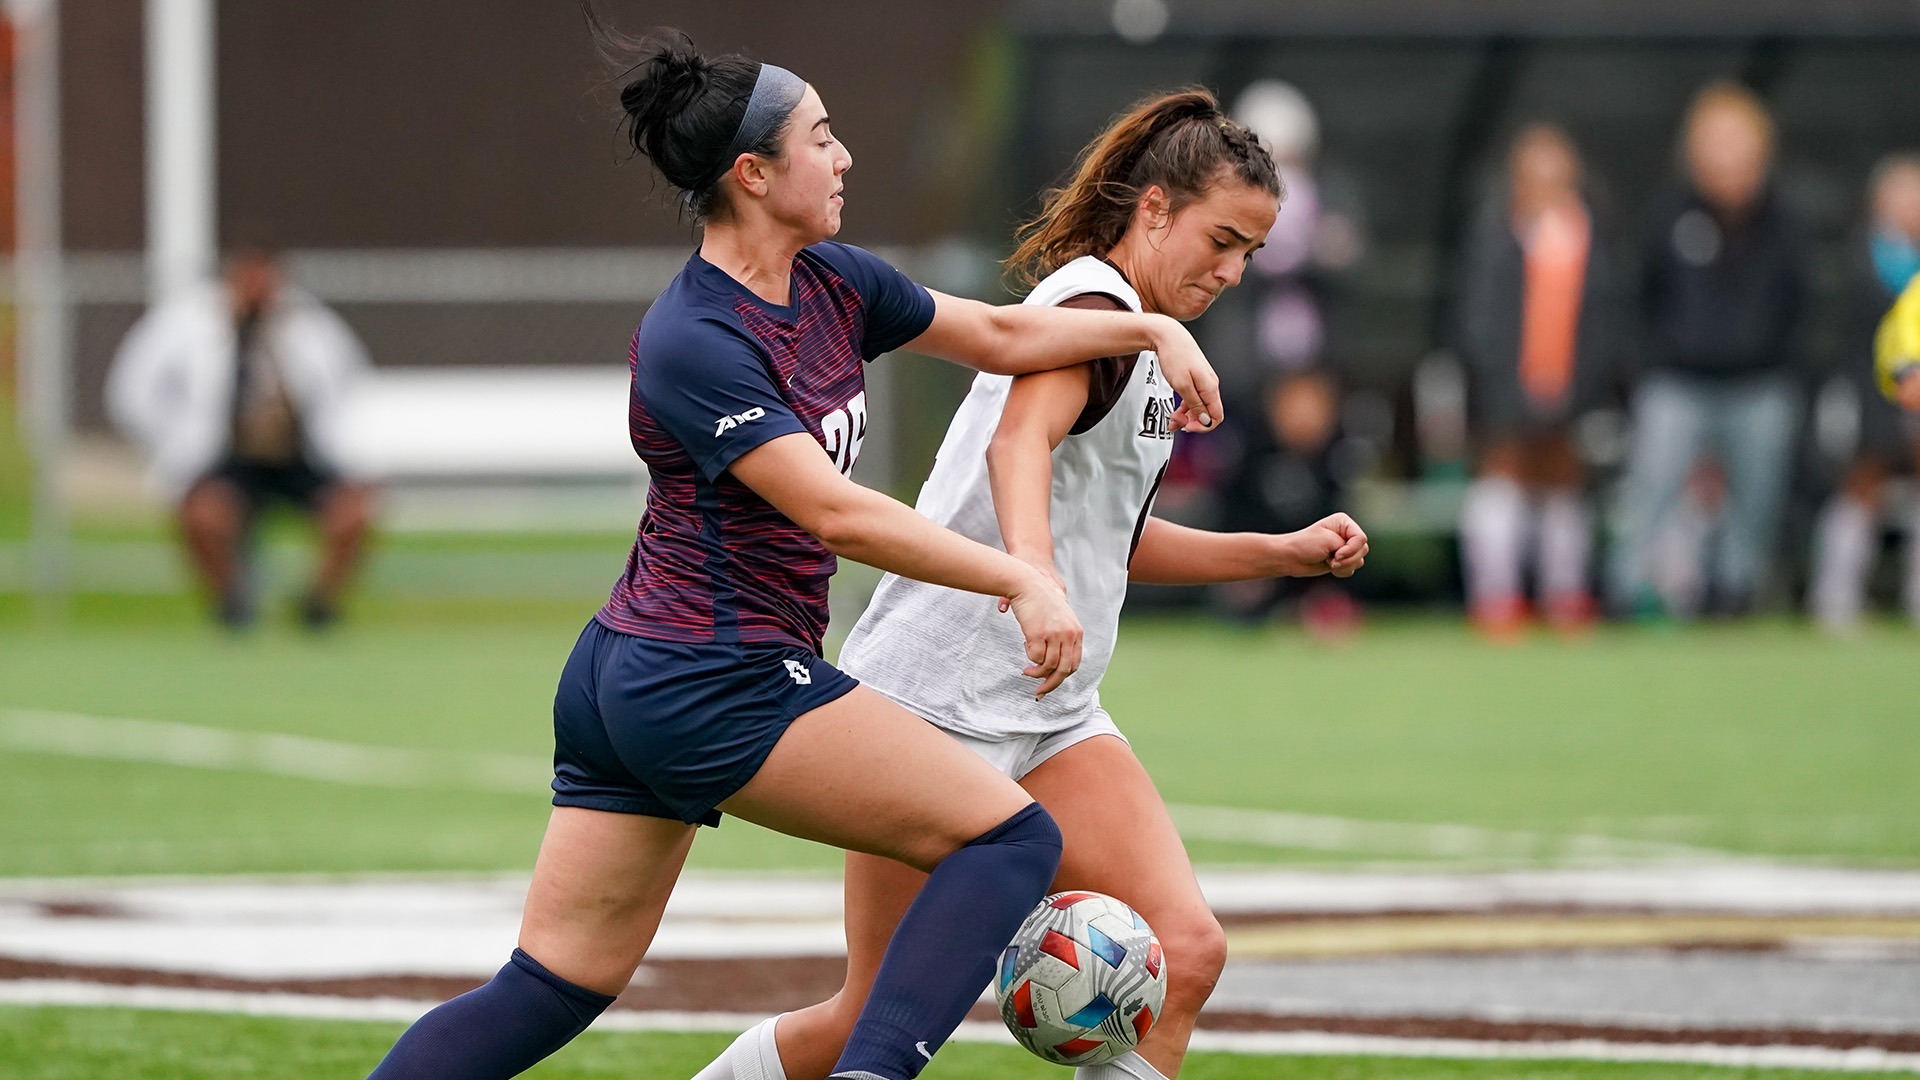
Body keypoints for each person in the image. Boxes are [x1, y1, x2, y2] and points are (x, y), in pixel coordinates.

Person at [363, 20, 1232, 1080]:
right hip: (708, 675)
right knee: (1008, 839)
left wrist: (1147, 328)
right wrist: (1020, 575)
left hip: (643, 667)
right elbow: (837, 515)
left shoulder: (832, 281)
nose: (844, 156)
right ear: (754, 173)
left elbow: (1003, 336)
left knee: (552, 987)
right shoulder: (695, 336)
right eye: (821, 138)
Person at [689, 90, 1368, 1080]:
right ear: (1155, 210)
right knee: (864, 1020)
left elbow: (1112, 542)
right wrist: (1033, 582)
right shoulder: (1095, 311)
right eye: (1221, 241)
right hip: (932, 698)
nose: (1231, 271)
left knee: (1184, 952)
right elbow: (1018, 446)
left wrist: (1280, 552)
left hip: (1052, 709)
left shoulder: (1145, 335)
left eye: (1250, 254)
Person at [1606, 82, 1809, 619]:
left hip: (1759, 383)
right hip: (1677, 381)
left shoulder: (1785, 222)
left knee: (1757, 500)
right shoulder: (1669, 215)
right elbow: (1641, 299)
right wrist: (1646, 368)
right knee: (1651, 487)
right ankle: (1624, 591)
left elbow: (1798, 303)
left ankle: (1736, 595)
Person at [105, 248, 375, 629]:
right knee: (203, 514)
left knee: (354, 509)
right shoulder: (186, 322)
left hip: (300, 458)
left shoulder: (311, 324)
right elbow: (133, 391)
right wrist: (174, 442)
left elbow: (348, 387)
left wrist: (344, 449)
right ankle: (233, 606)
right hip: (225, 459)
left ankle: (317, 607)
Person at [1455, 124, 1617, 637]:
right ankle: (1495, 597)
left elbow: (1604, 326)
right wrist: (1502, 392)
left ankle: (1564, 595)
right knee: (1501, 486)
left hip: (1573, 392)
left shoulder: (1592, 240)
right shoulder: (1493, 238)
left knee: (1564, 490)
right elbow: (1478, 324)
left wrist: (1584, 391)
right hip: (1506, 393)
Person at [1809, 154, 1920, 631]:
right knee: (1861, 488)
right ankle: (1835, 597)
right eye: (1904, 195)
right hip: (1867, 393)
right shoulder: (1854, 260)